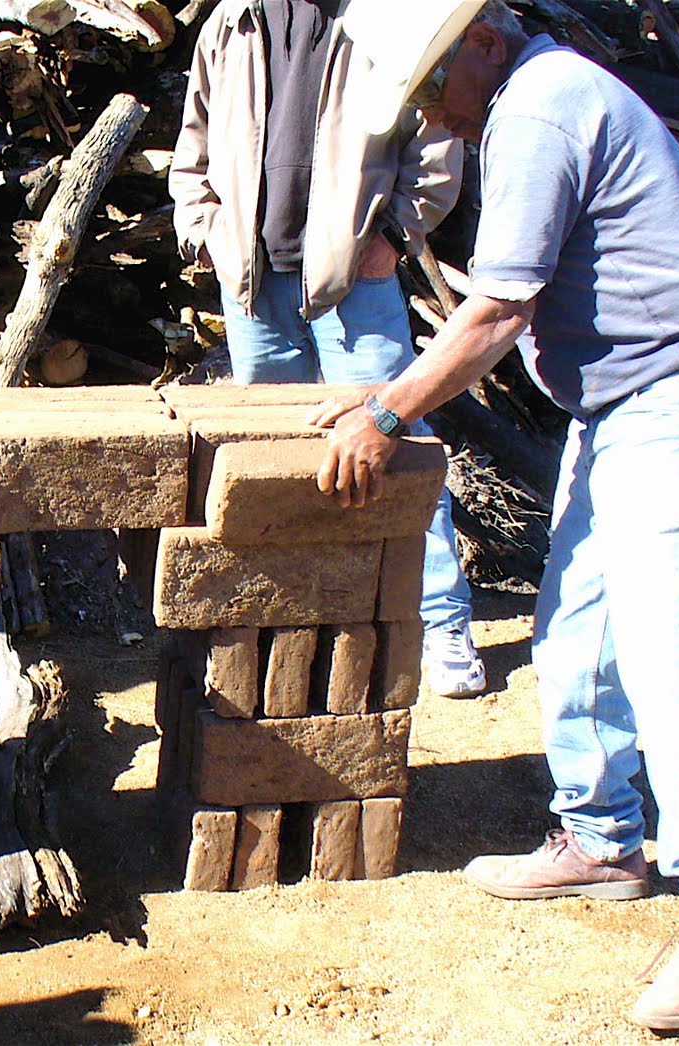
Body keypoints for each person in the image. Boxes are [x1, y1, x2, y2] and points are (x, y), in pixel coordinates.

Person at [313, 0, 679, 1030]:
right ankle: (601, 837)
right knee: (575, 636)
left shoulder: (541, 105)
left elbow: (496, 310)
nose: (436, 115)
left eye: (435, 88)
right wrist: (377, 395)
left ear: (480, 42)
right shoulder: (527, 95)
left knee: (672, 657)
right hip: (623, 403)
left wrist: (388, 407)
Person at [169, 0, 487, 698]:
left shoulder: (391, 15)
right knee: (269, 453)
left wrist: (392, 239)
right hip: (253, 285)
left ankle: (440, 623)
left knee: (397, 439)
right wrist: (208, 231)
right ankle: (290, 621)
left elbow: (436, 143)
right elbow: (192, 144)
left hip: (356, 285)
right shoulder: (234, 21)